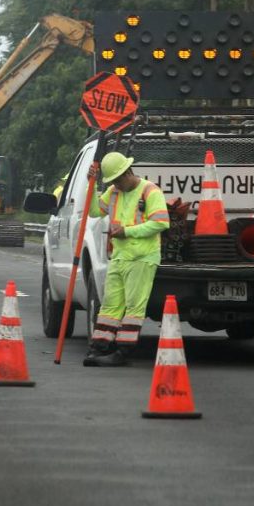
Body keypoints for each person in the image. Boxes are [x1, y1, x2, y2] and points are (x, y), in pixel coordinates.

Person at [83, 152, 170, 367]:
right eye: (112, 181)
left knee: (133, 308)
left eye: (117, 180)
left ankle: (123, 352)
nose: (115, 184)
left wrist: (127, 232)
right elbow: (94, 212)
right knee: (110, 306)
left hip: (142, 258)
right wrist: (92, 185)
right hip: (119, 257)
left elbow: (161, 223)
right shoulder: (113, 192)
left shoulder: (150, 191)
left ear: (127, 172)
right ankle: (99, 348)